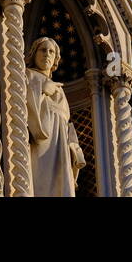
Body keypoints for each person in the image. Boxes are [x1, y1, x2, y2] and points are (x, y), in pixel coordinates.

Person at [26, 36, 86, 196]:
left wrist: (73, 144)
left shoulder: (60, 89)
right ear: (34, 54)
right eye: (43, 50)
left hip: (60, 144)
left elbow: (64, 120)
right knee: (41, 182)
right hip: (41, 140)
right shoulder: (28, 75)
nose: (47, 54)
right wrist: (43, 89)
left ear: (55, 59)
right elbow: (21, 108)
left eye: (51, 52)